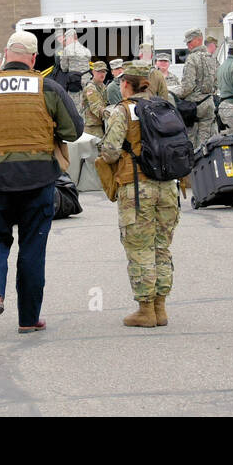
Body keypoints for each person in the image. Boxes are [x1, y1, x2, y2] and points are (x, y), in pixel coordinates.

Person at [0, 31, 83, 333]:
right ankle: (28, 319)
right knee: (33, 248)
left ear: (6, 54)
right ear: (34, 59)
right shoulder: (48, 88)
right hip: (39, 180)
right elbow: (73, 131)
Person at [99, 61, 180, 328]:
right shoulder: (165, 106)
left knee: (139, 247)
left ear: (125, 84)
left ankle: (145, 309)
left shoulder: (124, 110)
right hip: (168, 187)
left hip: (137, 188)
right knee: (161, 246)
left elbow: (110, 151)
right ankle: (161, 308)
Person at [176, 28, 219, 151]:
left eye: (190, 41)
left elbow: (187, 87)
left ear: (199, 40)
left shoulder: (192, 59)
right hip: (208, 104)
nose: (188, 44)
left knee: (192, 143)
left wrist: (173, 93)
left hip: (194, 107)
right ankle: (206, 168)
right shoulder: (212, 58)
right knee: (206, 142)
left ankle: (195, 169)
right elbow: (216, 82)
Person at [80, 60, 109, 136]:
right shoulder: (91, 88)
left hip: (100, 123)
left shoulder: (103, 86)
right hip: (92, 127)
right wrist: (112, 115)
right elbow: (96, 108)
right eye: (99, 72)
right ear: (93, 72)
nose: (102, 74)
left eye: (104, 72)